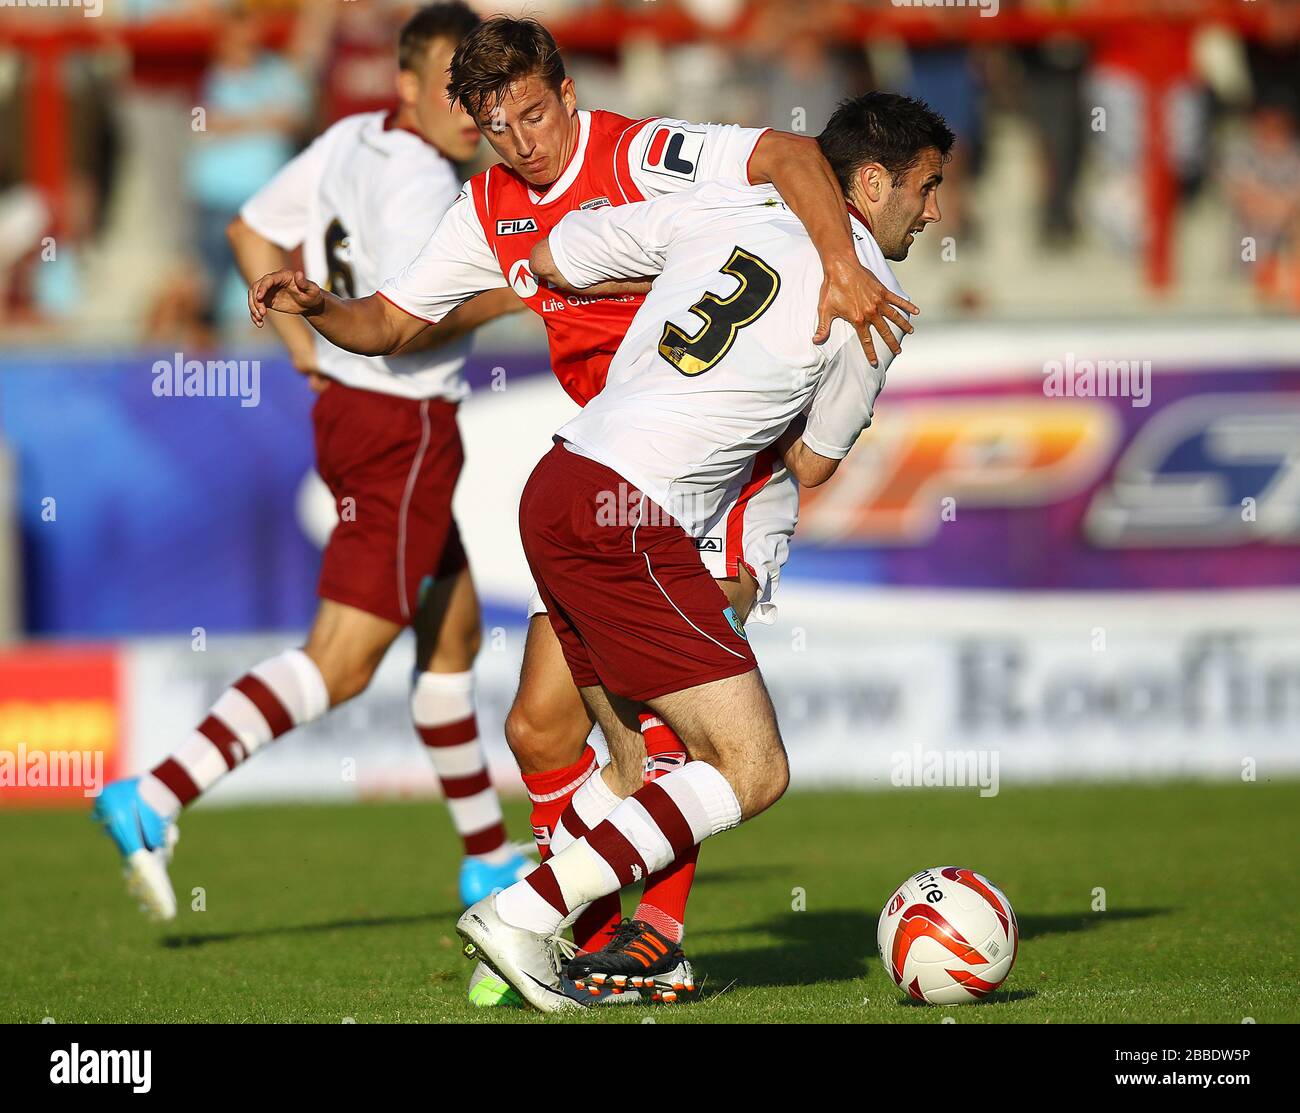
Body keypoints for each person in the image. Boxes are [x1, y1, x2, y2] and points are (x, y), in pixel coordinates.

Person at [247, 15, 917, 1002]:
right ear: (474, 127)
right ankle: (563, 917)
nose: (526, 141)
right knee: (539, 730)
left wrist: (843, 267)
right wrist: (320, 308)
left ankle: (644, 934)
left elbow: (783, 154)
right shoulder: (486, 212)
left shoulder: (643, 154)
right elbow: (391, 319)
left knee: (668, 723)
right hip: (613, 478)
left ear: (567, 94)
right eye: (499, 126)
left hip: (722, 477)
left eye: (535, 113)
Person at [456, 91, 952, 1011]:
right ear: (874, 181)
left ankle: (608, 938)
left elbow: (553, 255)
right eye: (926, 187)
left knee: (630, 749)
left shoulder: (721, 208)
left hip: (561, 483)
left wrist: (669, 304)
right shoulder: (865, 299)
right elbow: (809, 462)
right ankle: (527, 913)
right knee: (749, 766)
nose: (933, 211)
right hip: (640, 514)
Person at [92, 3, 530, 931]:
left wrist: (302, 348)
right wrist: (531, 281)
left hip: (348, 411)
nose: (468, 101)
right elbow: (407, 314)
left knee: (448, 638)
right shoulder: (420, 179)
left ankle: (488, 861)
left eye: (478, 82)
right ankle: (157, 794)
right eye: (451, 80)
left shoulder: (349, 140)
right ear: (406, 84)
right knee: (339, 664)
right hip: (403, 426)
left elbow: (249, 231)